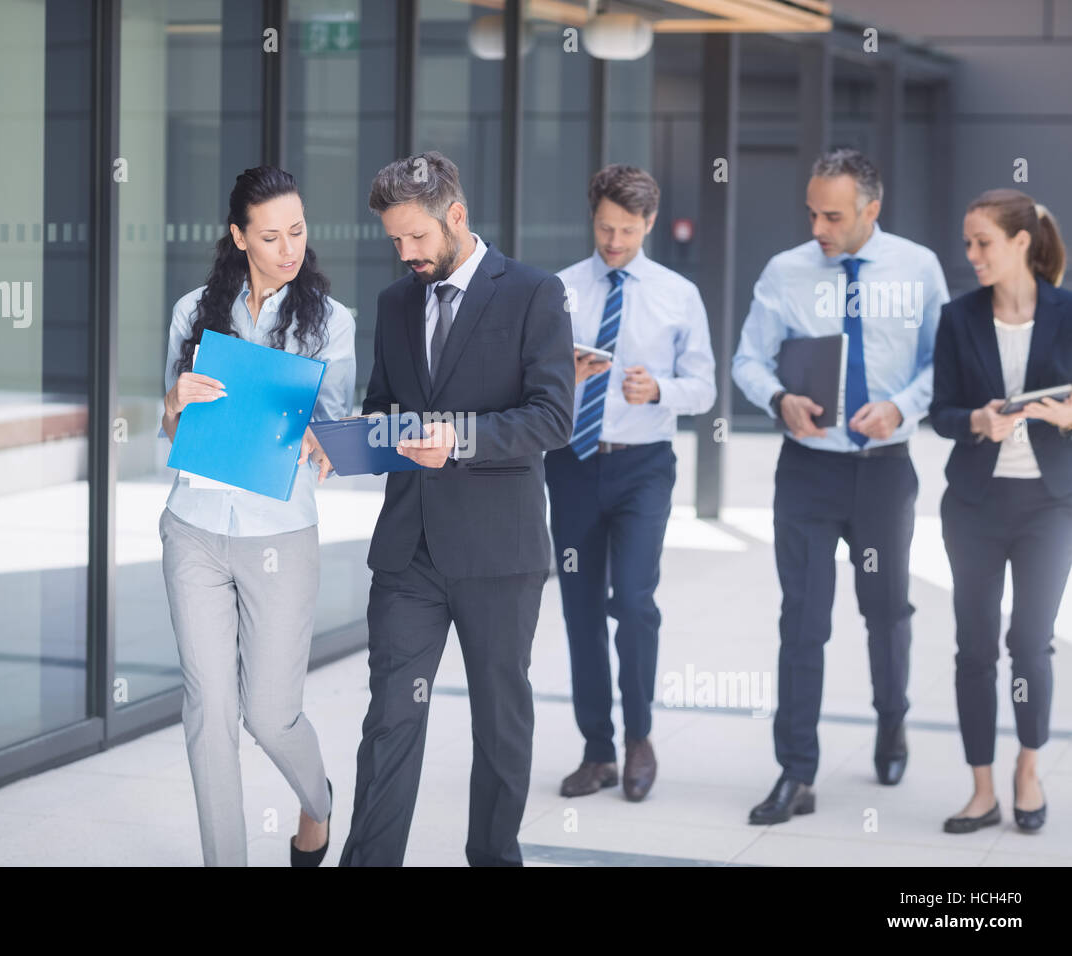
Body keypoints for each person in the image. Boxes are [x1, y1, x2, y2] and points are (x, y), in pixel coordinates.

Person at [337, 150, 575, 866]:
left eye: (416, 237)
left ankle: (493, 858)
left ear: (457, 217)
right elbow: (384, 404)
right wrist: (353, 441)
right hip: (409, 550)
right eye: (395, 240)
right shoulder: (394, 302)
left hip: (498, 553)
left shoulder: (534, 293)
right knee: (390, 719)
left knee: (500, 723)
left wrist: (462, 439)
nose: (406, 253)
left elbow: (552, 418)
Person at [731, 147, 949, 824]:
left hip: (884, 468)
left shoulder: (917, 269)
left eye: (833, 215)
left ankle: (892, 722)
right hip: (808, 468)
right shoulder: (785, 272)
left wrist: (902, 407)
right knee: (801, 621)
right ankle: (796, 772)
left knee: (885, 612)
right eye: (812, 213)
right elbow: (747, 360)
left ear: (871, 211)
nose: (818, 227)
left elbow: (945, 363)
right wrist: (778, 399)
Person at [158, 165, 355, 866]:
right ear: (239, 236)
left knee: (269, 715)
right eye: (270, 236)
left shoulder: (332, 324)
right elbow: (169, 432)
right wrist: (175, 402)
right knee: (209, 713)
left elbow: (340, 437)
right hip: (194, 531)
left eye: (297, 231)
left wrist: (318, 440)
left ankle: (318, 802)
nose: (288, 247)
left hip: (280, 538)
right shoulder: (193, 314)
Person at [548, 165, 715, 802]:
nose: (613, 241)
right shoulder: (559, 290)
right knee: (580, 608)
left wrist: (660, 389)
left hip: (643, 462)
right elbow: (528, 380)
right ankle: (598, 750)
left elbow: (704, 388)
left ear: (649, 222)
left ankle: (640, 736)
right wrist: (564, 376)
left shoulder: (678, 294)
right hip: (571, 463)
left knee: (636, 602)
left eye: (626, 229)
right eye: (603, 227)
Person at [930, 189, 1072, 835]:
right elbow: (941, 412)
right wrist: (977, 421)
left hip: (1049, 504)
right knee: (974, 648)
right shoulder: (958, 317)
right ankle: (982, 788)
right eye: (967, 243)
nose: (972, 255)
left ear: (1021, 243)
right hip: (975, 505)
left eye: (983, 242)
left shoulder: (1068, 312)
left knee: (1031, 645)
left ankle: (1028, 768)